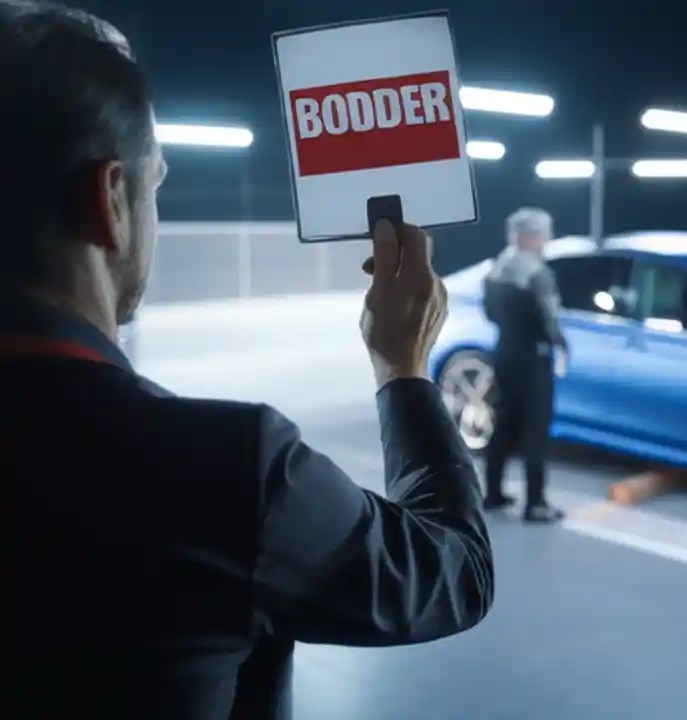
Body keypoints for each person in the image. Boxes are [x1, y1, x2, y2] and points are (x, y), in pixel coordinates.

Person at [0, 3, 494, 718]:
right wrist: (403, 367)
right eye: (156, 185)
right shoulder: (224, 471)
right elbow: (456, 572)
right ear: (110, 198)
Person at [481, 208, 568, 523]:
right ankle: (536, 503)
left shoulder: (496, 268)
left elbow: (490, 313)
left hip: (504, 352)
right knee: (535, 431)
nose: (549, 239)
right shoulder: (537, 274)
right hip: (534, 359)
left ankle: (492, 493)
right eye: (546, 233)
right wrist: (560, 345)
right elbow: (549, 320)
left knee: (503, 424)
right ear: (532, 237)